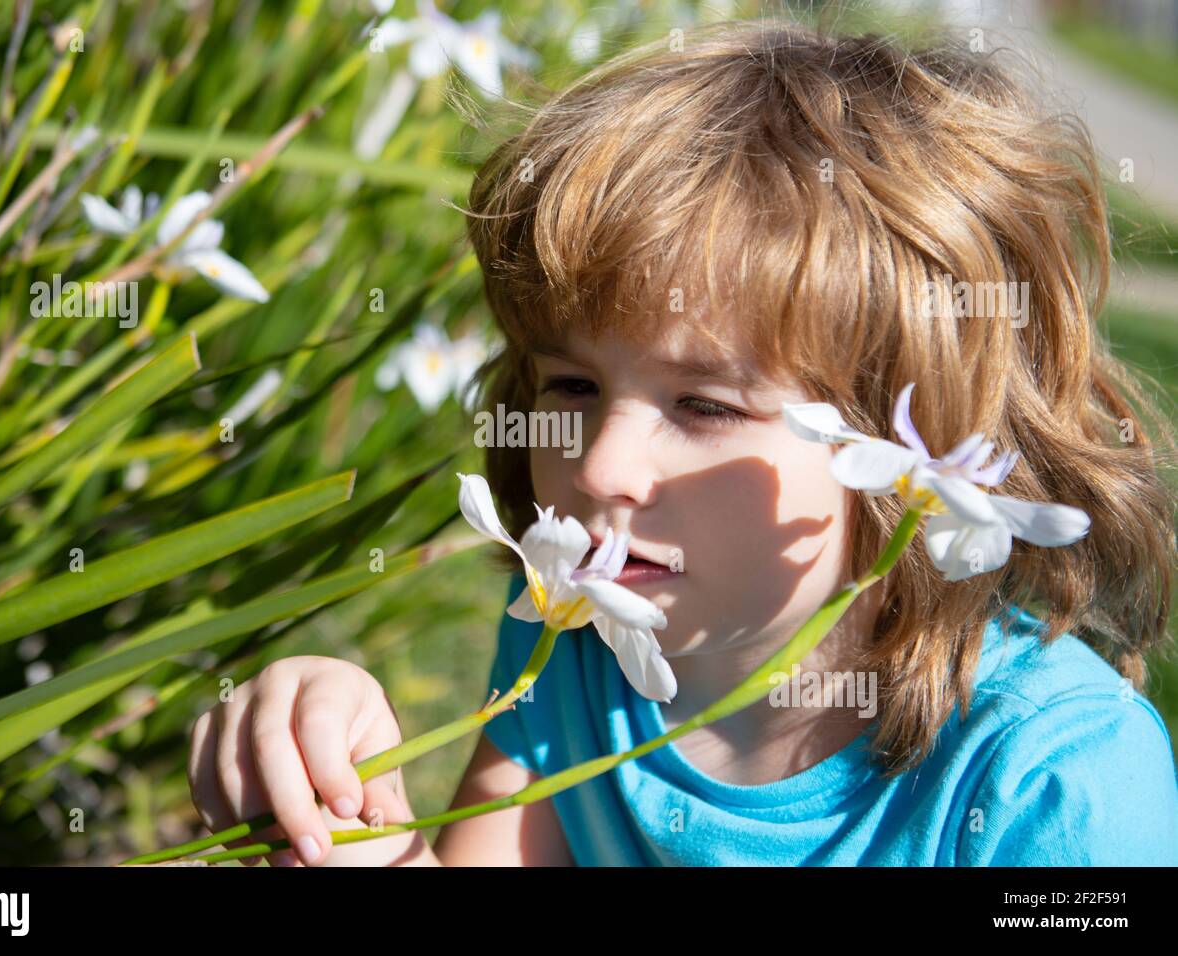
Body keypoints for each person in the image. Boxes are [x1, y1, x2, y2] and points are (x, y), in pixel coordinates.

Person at [186, 19, 1178, 866]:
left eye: (702, 404)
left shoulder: (1054, 782)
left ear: (913, 444)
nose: (600, 467)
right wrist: (354, 809)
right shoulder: (570, 643)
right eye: (571, 384)